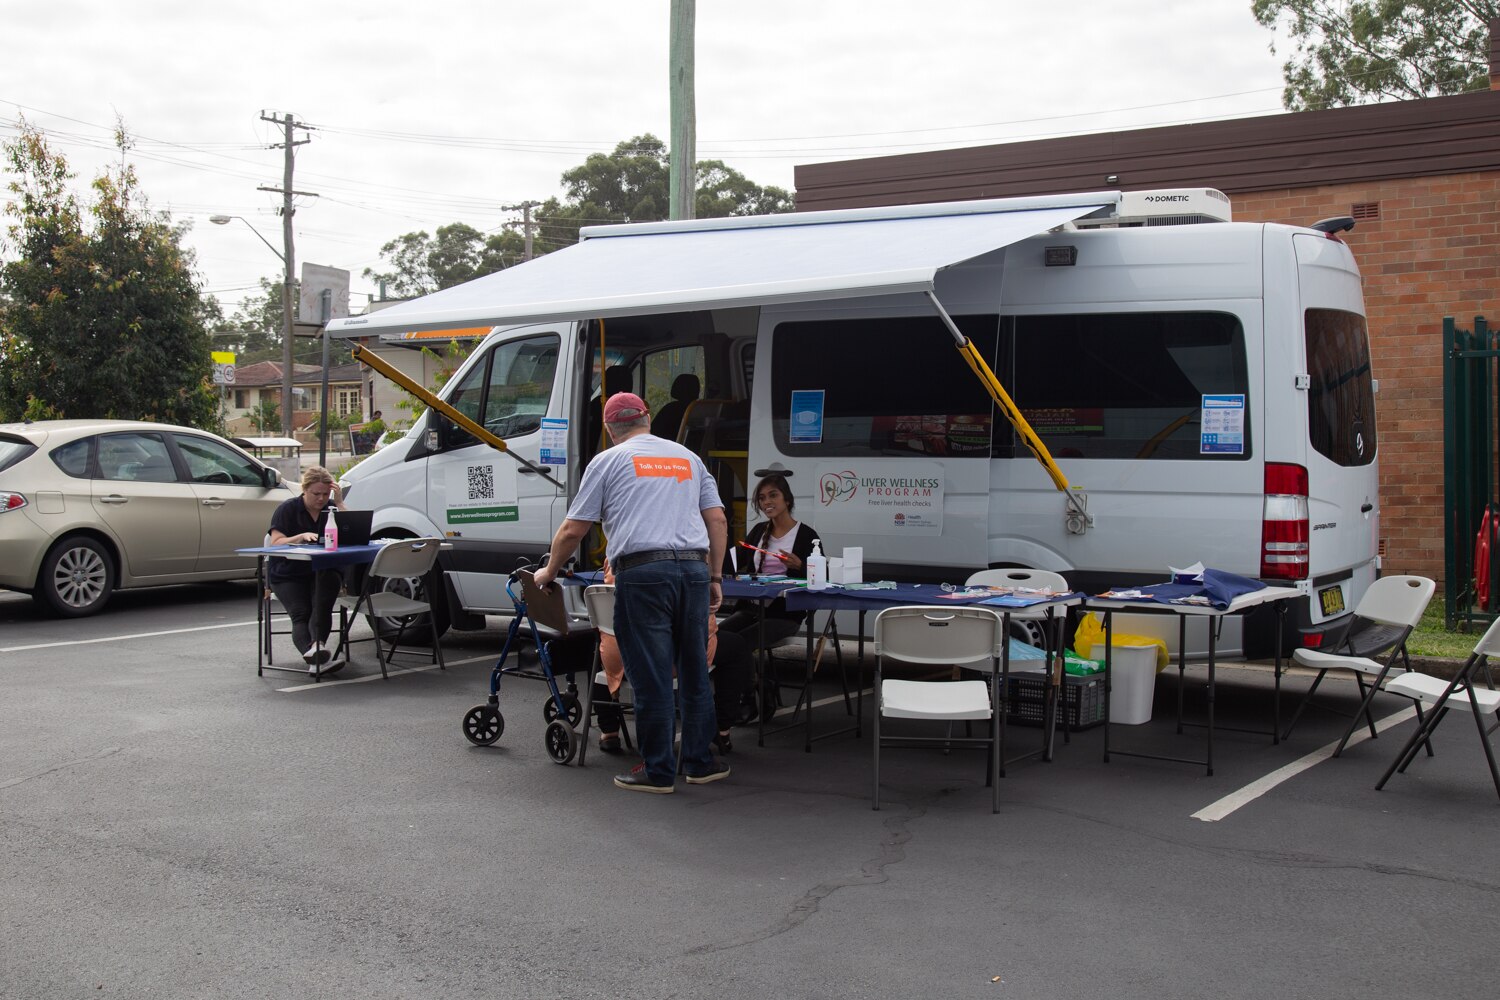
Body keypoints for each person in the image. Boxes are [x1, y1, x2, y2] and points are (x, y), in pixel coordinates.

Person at [533, 392, 728, 794]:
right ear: (648, 419)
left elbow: (574, 529)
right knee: (693, 666)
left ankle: (657, 770)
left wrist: (549, 570)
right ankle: (701, 762)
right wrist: (715, 576)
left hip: (643, 572)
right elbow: (717, 519)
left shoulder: (606, 461)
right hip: (692, 567)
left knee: (652, 672)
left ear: (609, 429)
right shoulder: (688, 458)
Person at [547, 559, 754, 756]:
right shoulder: (682, 565)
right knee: (736, 647)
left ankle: (609, 730)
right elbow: (701, 624)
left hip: (616, 657)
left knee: (602, 641)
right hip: (666, 660)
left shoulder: (614, 559)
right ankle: (721, 727)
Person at [718, 473, 821, 647]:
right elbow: (734, 562)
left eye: (773, 495)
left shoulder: (807, 536)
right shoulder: (759, 531)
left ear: (787, 500)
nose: (767, 502)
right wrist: (718, 541)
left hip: (785, 615)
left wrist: (801, 566)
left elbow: (821, 579)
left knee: (739, 642)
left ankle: (745, 674)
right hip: (751, 609)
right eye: (762, 498)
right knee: (716, 637)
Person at [267, 466, 349, 675]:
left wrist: (338, 502)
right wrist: (300, 536)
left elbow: (353, 533)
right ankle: (316, 655)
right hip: (289, 572)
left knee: (322, 607)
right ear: (304, 490)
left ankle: (316, 659)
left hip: (323, 569)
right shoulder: (288, 509)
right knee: (301, 613)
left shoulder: (331, 508)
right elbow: (275, 542)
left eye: (325, 494)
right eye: (316, 494)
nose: (321, 499)